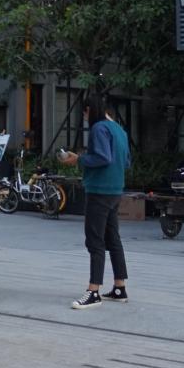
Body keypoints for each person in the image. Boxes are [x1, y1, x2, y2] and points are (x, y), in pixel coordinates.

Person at [62, 96, 129, 309]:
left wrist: (78, 159)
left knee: (95, 240)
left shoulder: (99, 128)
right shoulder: (119, 129)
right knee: (113, 238)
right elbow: (126, 161)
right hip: (115, 190)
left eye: (84, 113)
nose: (84, 117)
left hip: (99, 190)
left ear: (89, 110)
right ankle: (120, 287)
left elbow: (102, 157)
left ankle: (93, 291)